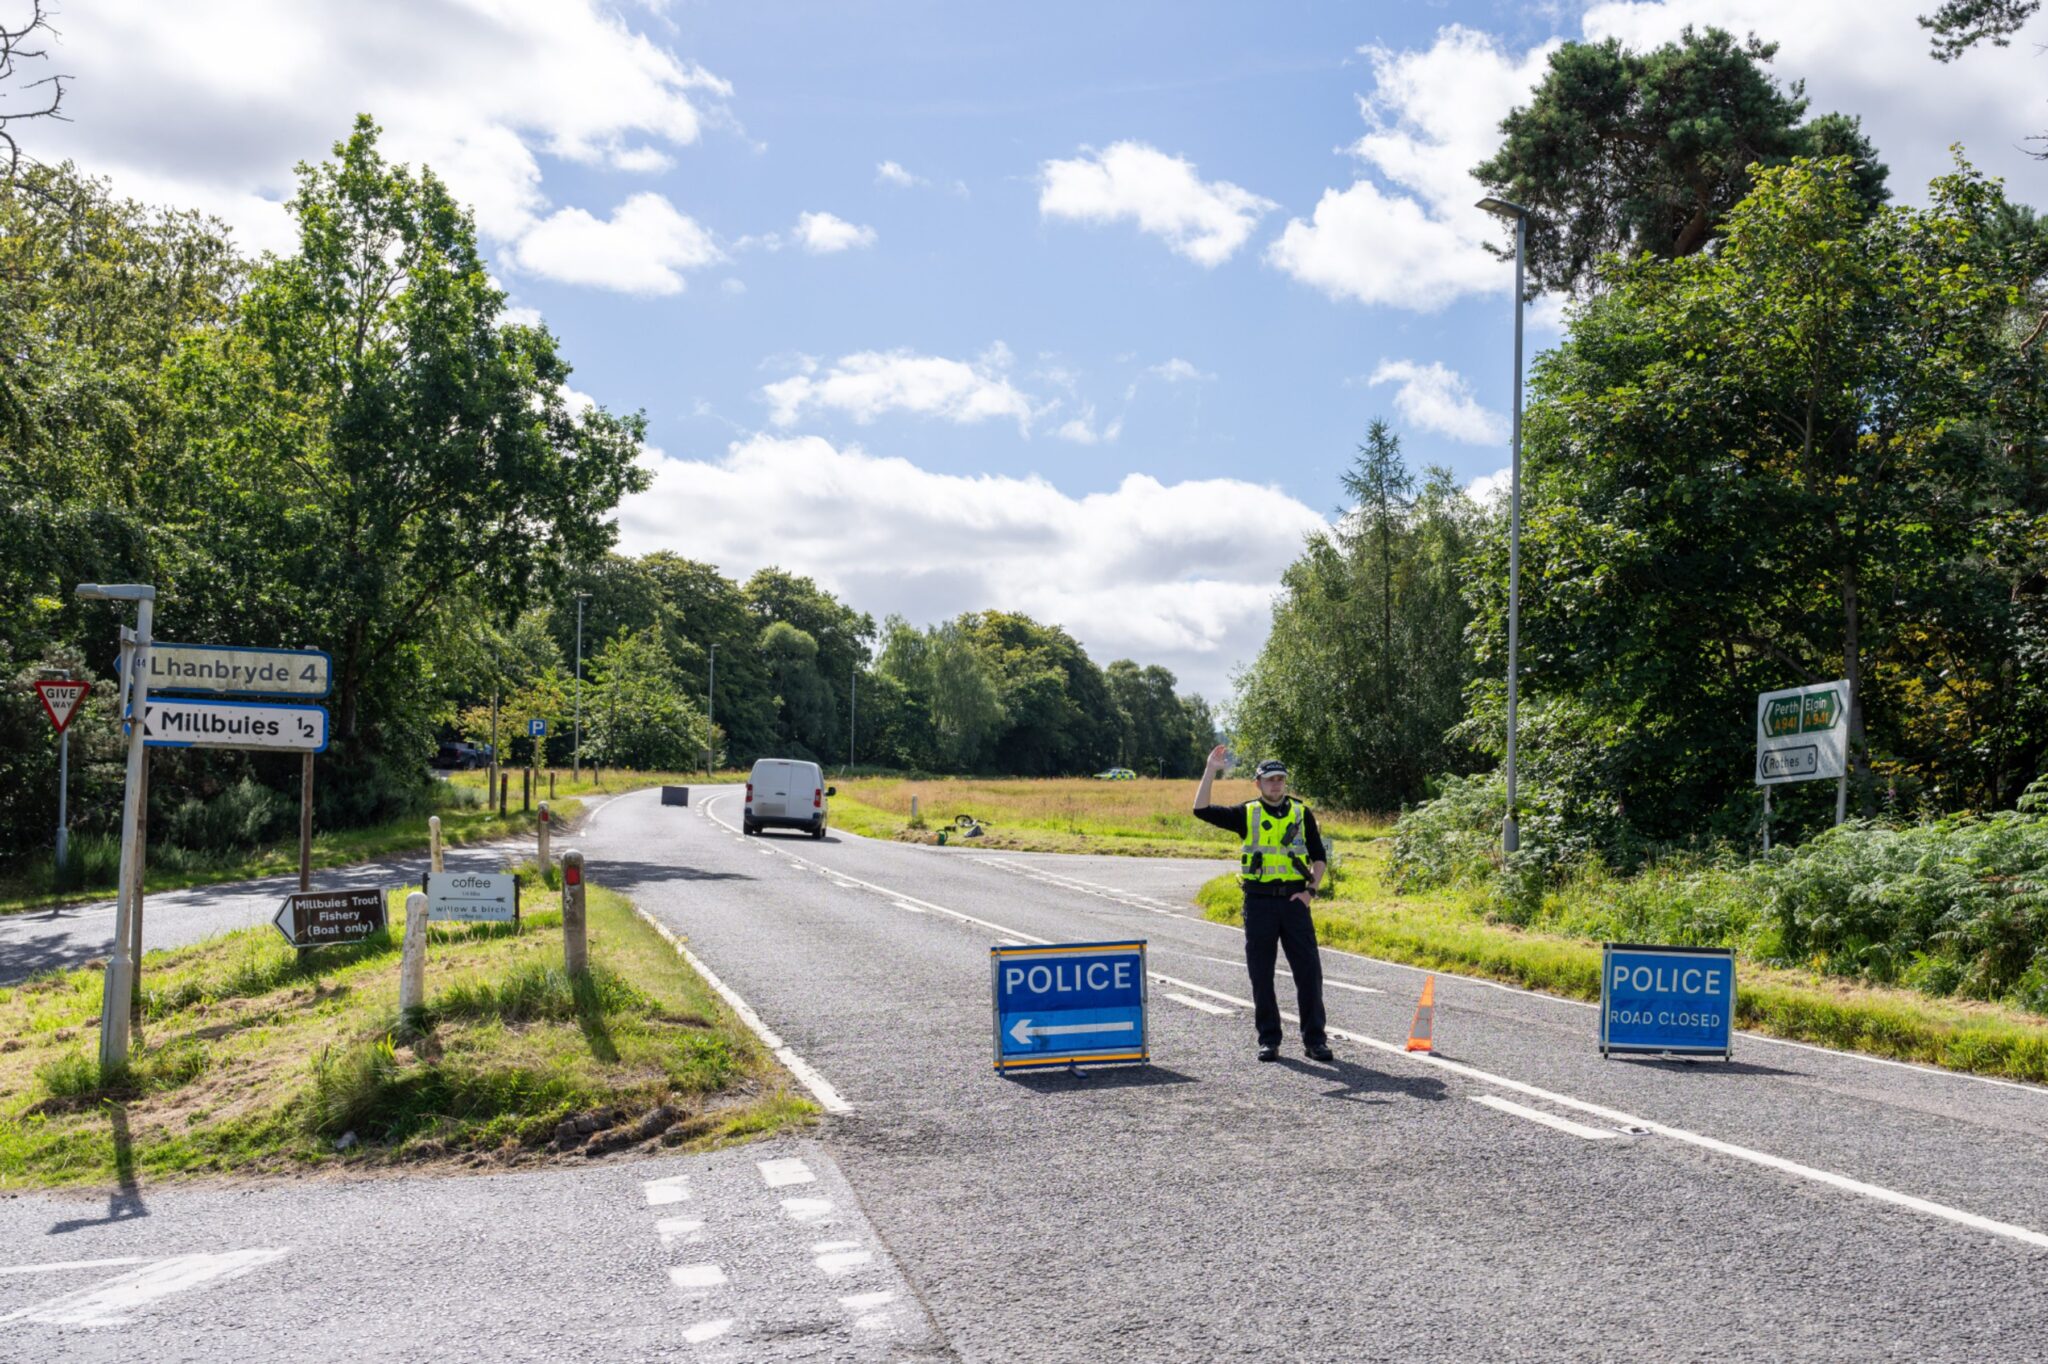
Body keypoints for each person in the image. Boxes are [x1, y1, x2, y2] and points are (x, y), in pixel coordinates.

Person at [1192, 744, 1332, 1062]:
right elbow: (1200, 810)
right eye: (1270, 780)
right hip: (1258, 904)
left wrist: (1311, 892)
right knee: (1261, 974)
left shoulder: (1301, 812)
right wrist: (1210, 770)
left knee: (1309, 973)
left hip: (1295, 903)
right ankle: (1269, 1039)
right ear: (1258, 783)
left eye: (1280, 779)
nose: (1276, 784)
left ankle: (1315, 1040)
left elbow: (1319, 857)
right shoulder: (1247, 813)